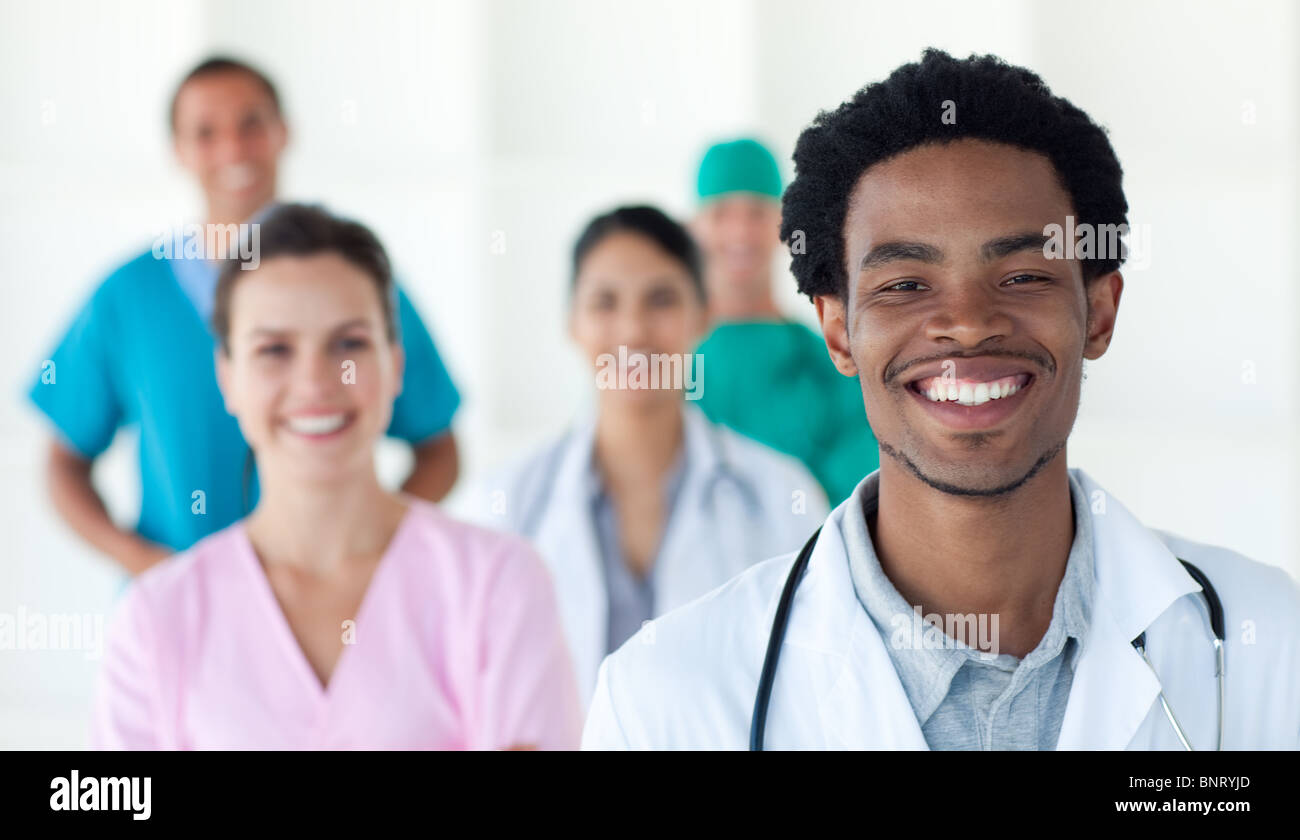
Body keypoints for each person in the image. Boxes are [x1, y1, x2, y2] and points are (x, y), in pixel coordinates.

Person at [583, 51, 1300, 750]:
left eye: (1022, 276)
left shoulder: (1271, 650)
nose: (966, 321)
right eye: (904, 284)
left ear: (1101, 311)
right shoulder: (663, 703)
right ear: (838, 330)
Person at [92, 204, 582, 749]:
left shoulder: (497, 586)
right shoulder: (157, 619)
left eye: (349, 344)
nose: (316, 382)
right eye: (274, 349)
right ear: (227, 377)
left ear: (396, 364)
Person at [28, 57, 461, 575]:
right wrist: (152, 569)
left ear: (284, 132)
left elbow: (439, 446)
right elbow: (64, 463)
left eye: (251, 124)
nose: (233, 148)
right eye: (206, 132)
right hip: (182, 618)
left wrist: (367, 557)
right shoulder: (128, 296)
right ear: (178, 152)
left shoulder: (358, 281)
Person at [456, 205, 827, 705]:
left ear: (703, 314)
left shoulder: (781, 495)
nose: (632, 330)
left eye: (661, 299)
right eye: (605, 302)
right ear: (572, 322)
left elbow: (815, 693)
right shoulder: (502, 504)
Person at [691, 137, 879, 506]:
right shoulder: (666, 365)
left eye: (755, 213)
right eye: (721, 214)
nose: (739, 232)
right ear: (694, 227)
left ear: (782, 224)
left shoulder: (828, 363)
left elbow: (854, 501)